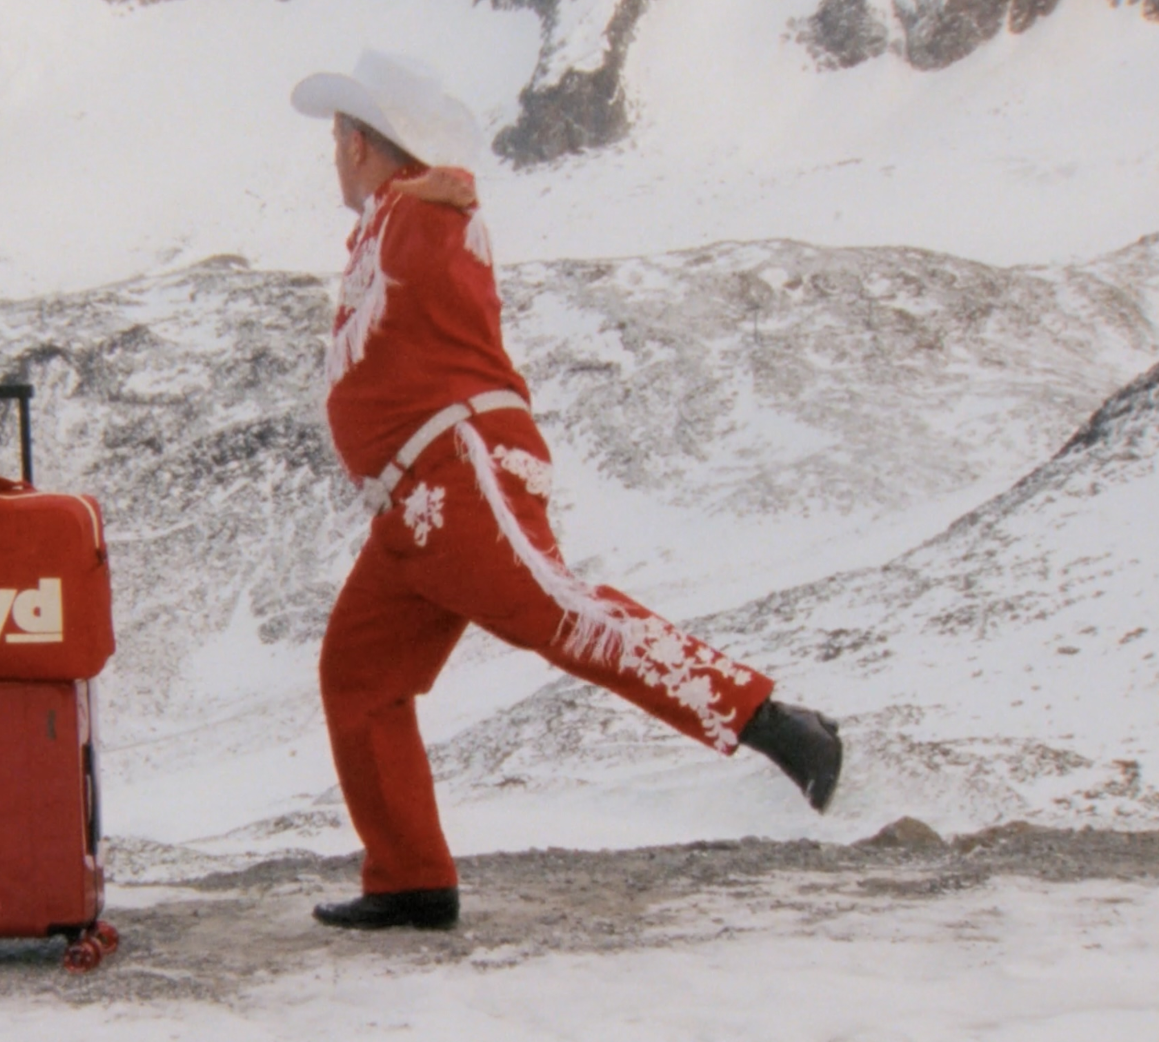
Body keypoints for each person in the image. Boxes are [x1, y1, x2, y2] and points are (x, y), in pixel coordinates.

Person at [290, 51, 844, 931]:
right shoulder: (377, 232)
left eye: (336, 139)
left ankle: (775, 724)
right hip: (409, 507)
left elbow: (453, 206)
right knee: (359, 673)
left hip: (460, 466)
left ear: (361, 146)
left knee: (561, 613)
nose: (331, 156)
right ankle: (409, 880)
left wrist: (445, 184)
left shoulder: (414, 214)